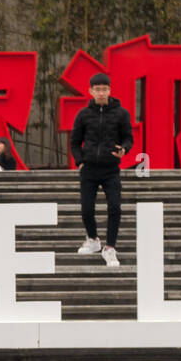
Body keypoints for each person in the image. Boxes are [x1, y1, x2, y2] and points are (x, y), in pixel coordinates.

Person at [70, 72, 134, 267]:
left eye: (104, 89)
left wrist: (124, 149)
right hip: (89, 169)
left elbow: (128, 138)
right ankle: (93, 240)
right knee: (86, 209)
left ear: (110, 90)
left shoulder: (121, 113)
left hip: (111, 169)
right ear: (90, 91)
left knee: (114, 207)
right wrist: (80, 161)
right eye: (97, 89)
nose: (101, 93)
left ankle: (110, 248)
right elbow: (74, 141)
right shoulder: (83, 114)